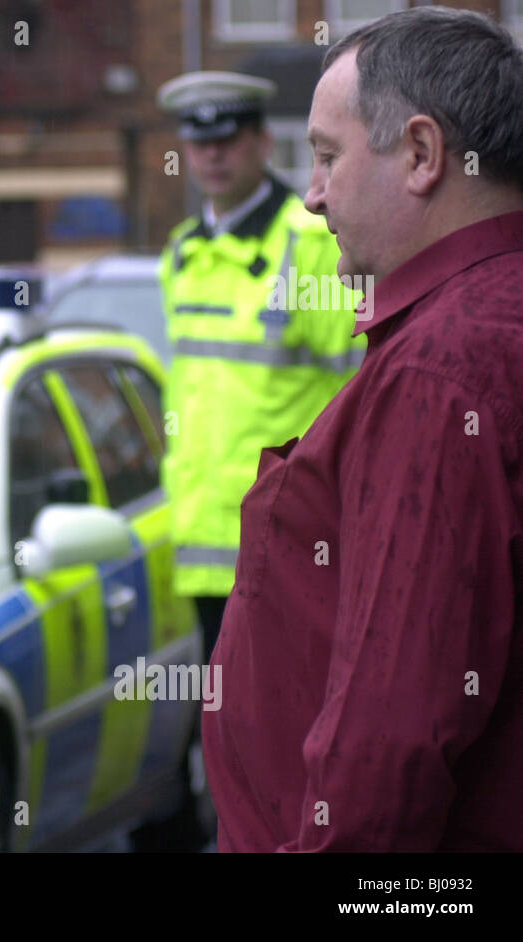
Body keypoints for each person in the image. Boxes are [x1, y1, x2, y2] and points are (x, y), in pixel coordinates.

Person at [204, 6, 523, 851]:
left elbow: (391, 737)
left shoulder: (438, 368)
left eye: (327, 155)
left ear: (421, 155)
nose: (311, 195)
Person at [156, 71, 366, 663]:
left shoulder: (309, 245)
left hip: (286, 547)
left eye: (229, 138)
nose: (213, 155)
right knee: (219, 733)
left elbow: (360, 388)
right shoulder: (181, 253)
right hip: (200, 551)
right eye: (200, 143)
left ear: (262, 143)